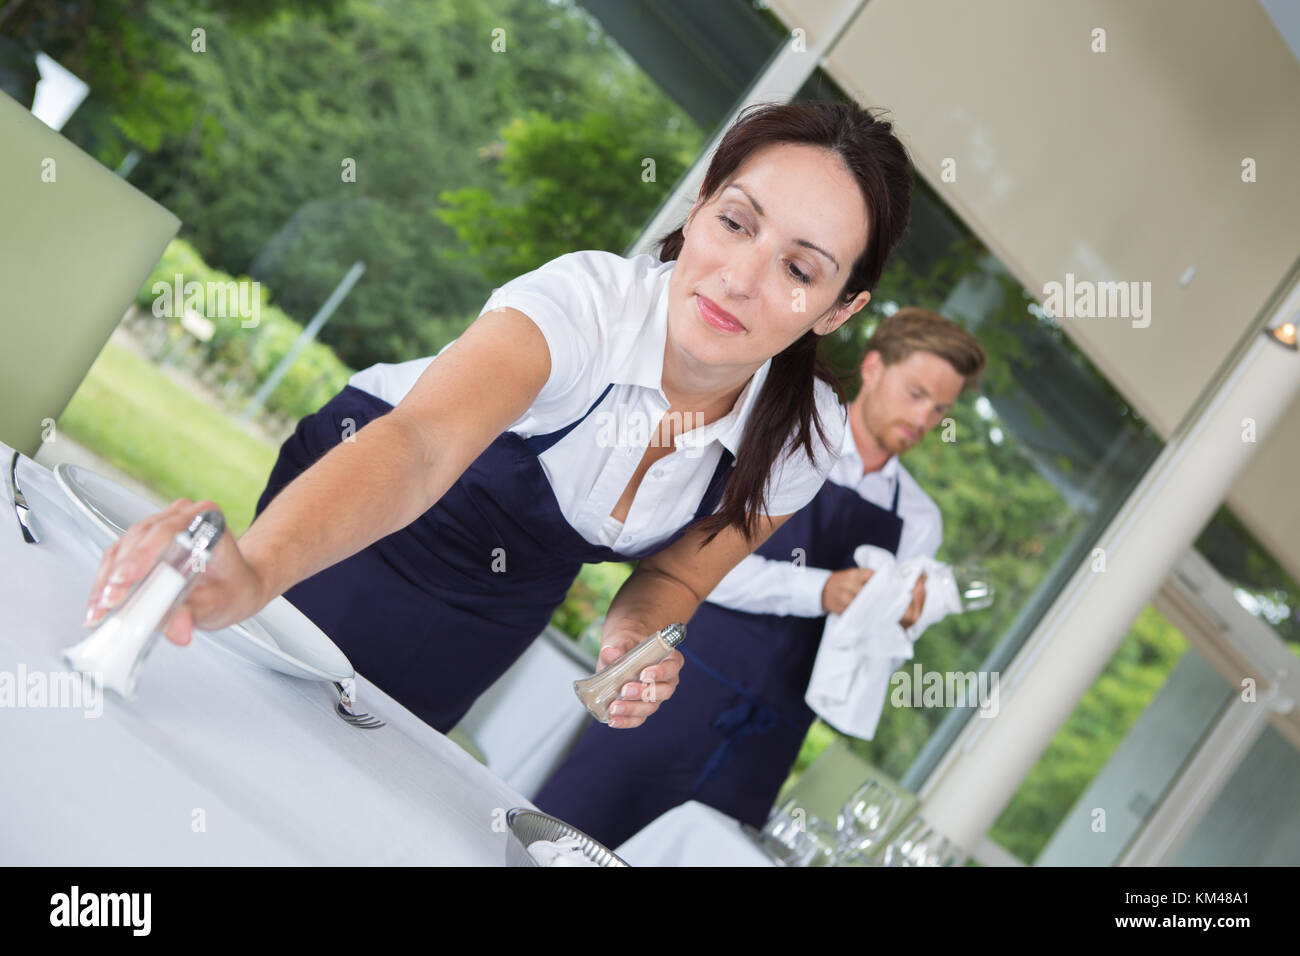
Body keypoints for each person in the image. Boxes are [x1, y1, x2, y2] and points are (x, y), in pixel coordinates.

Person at [80, 99, 915, 736]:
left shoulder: (803, 439)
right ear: (697, 210)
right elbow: (419, 445)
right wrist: (256, 569)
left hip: (501, 602)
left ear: (840, 310)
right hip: (367, 504)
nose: (740, 276)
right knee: (222, 713)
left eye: (799, 268)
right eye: (735, 222)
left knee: (353, 775)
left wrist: (633, 640)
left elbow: (677, 580)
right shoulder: (585, 304)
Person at [533, 308, 986, 848]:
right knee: (565, 837)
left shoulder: (919, 517)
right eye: (916, 393)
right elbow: (694, 569)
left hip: (769, 740)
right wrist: (820, 591)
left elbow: (870, 647)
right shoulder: (788, 439)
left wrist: (903, 621)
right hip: (676, 691)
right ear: (872, 368)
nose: (924, 418)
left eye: (940, 409)